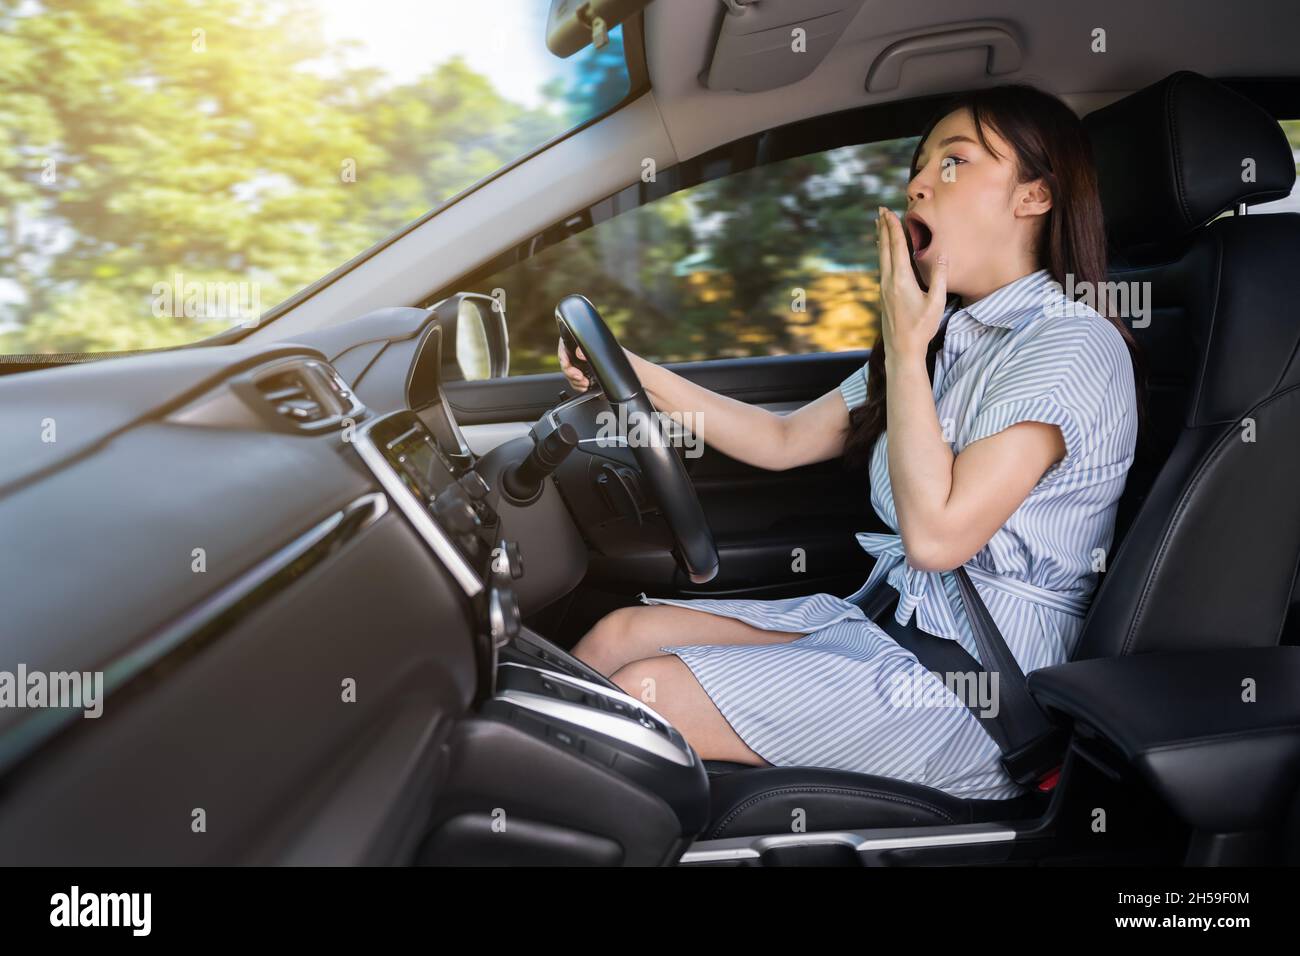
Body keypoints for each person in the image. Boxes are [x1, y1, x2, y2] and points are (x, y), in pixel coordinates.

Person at [561, 84, 1144, 801]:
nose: (918, 185)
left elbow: (937, 539)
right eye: (919, 166)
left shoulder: (1072, 343)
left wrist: (903, 346)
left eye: (954, 163)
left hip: (982, 689)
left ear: (1034, 197)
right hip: (889, 624)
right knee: (619, 636)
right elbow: (782, 438)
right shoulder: (946, 334)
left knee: (649, 693)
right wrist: (632, 372)